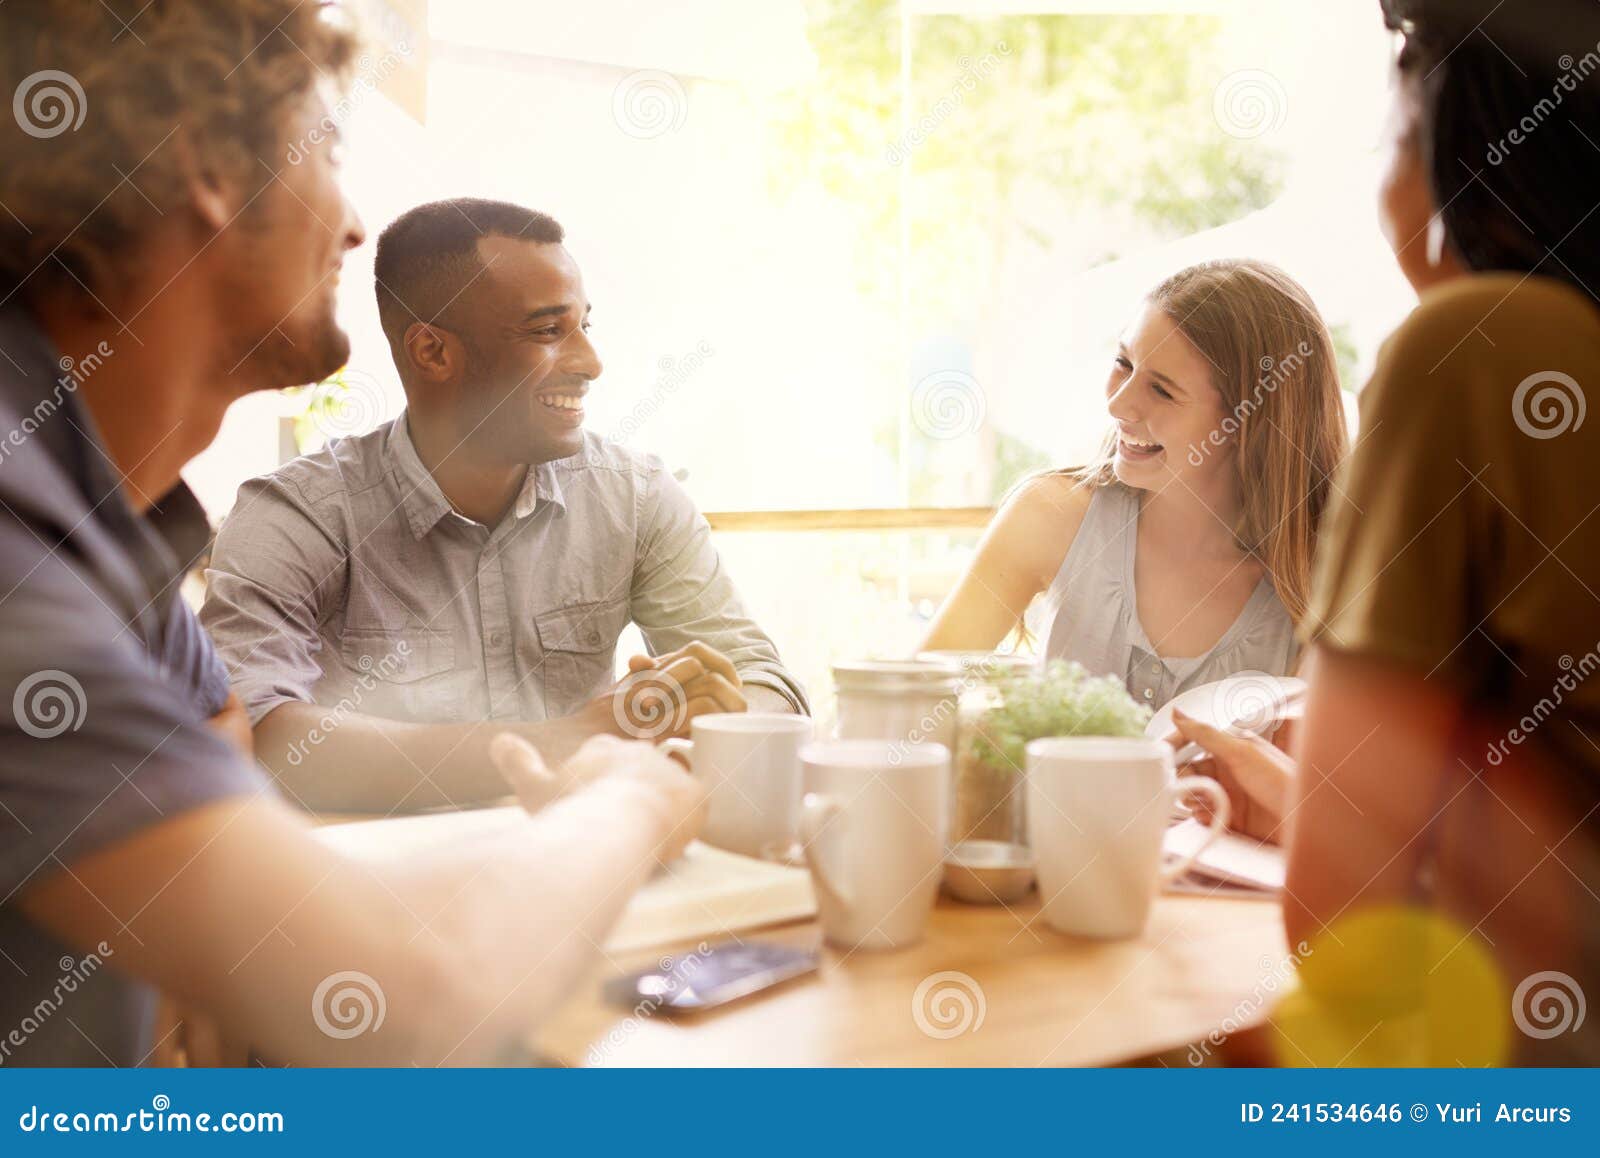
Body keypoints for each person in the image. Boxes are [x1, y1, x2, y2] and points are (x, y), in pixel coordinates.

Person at [0, 0, 704, 1067]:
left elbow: (294, 911)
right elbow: (408, 1003)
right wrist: (633, 796)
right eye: (326, 151)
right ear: (207, 168)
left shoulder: (109, 533)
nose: (355, 228)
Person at [1175, 0, 1600, 1064]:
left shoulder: (1472, 349)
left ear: (1459, 141)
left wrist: (1332, 805)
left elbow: (1344, 927)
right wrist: (1318, 793)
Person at [199, 198, 807, 813]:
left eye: (583, 327)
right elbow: (258, 737)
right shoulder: (298, 514)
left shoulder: (634, 495)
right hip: (381, 890)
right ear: (432, 352)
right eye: (547, 331)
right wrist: (570, 739)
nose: (590, 364)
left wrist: (706, 718)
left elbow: (765, 684)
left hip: (590, 867)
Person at [923, 259, 1347, 711]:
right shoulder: (1049, 518)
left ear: (1251, 423)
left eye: (1162, 390)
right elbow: (915, 701)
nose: (1119, 404)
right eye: (1124, 363)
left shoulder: (1321, 584)